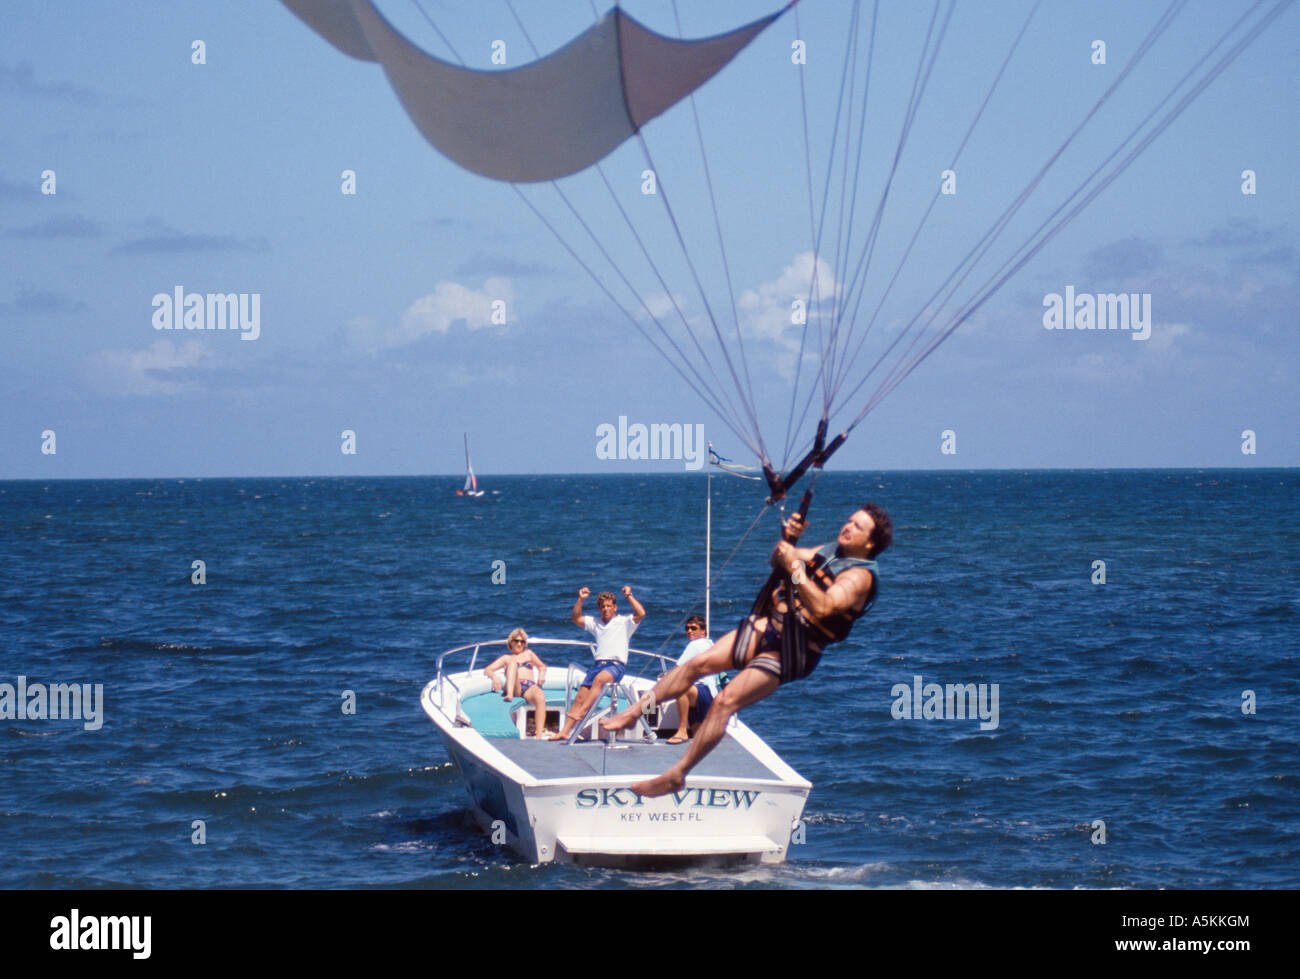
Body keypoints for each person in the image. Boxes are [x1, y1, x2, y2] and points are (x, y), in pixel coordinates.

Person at [601, 502, 892, 796]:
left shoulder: (860, 577)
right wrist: (788, 541)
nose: (848, 526)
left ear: (869, 542)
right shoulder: (829, 551)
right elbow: (778, 561)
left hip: (794, 650)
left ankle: (678, 773)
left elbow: (825, 606)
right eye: (850, 520)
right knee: (695, 665)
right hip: (771, 625)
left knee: (725, 701)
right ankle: (636, 711)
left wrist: (792, 563)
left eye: (858, 526)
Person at [548, 585, 646, 741]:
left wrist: (629, 595)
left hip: (615, 666)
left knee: (600, 680)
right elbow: (575, 618)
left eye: (608, 606)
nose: (605, 609)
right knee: (580, 696)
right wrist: (580, 599)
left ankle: (582, 713)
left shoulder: (624, 622)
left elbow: (641, 613)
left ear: (615, 607)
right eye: (602, 607)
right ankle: (565, 731)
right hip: (598, 665)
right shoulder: (596, 622)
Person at [483, 629, 550, 738]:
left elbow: (542, 666)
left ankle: (539, 736)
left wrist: (541, 674)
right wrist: (494, 678)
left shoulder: (529, 654)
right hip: (514, 686)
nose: (519, 644)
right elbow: (488, 669)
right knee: (513, 664)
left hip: (529, 686)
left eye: (522, 642)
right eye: (516, 641)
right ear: (511, 642)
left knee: (540, 697)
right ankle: (509, 694)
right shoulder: (506, 658)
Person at [664, 615, 716, 744]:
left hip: (703, 692)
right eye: (687, 628)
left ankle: (682, 731)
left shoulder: (695, 644)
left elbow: (677, 669)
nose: (689, 631)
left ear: (703, 631)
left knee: (680, 689)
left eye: (694, 628)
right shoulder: (709, 643)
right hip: (709, 694)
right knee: (698, 736)